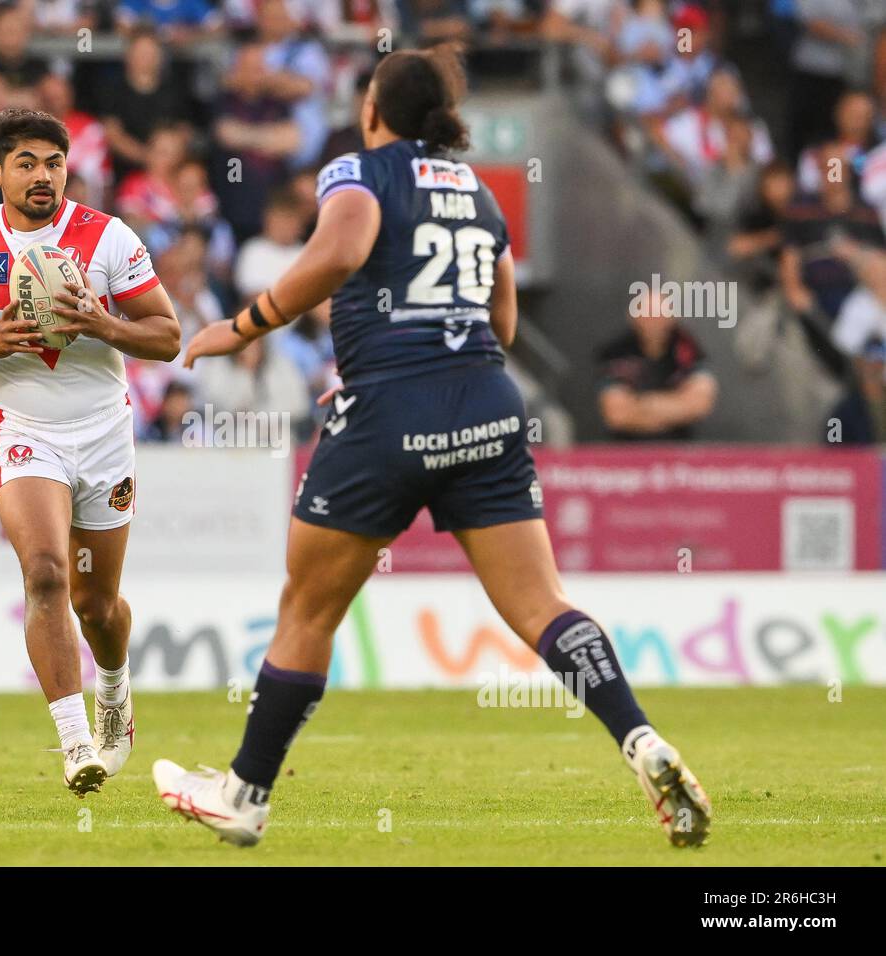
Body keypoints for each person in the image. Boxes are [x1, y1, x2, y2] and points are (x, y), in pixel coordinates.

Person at [155, 48, 712, 848]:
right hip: (487, 403)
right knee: (542, 606)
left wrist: (244, 325)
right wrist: (398, 354)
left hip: (389, 413)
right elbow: (506, 324)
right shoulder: (478, 190)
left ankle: (245, 795)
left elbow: (342, 252)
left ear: (376, 110)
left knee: (308, 608)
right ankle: (642, 740)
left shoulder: (357, 170)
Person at [0, 108, 180, 795]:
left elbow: (168, 336)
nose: (43, 176)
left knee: (98, 603)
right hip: (22, 431)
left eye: (54, 163)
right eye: (26, 163)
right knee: (47, 574)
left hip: (103, 433)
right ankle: (75, 742)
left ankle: (114, 692)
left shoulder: (107, 238)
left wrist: (103, 323)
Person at [596, 290, 717, 440]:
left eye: (660, 314)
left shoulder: (688, 348)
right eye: (648, 314)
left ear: (672, 317)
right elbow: (617, 414)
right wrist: (676, 405)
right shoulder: (616, 352)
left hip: (680, 449)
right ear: (633, 317)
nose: (654, 321)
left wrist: (642, 405)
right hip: (626, 451)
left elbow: (699, 405)